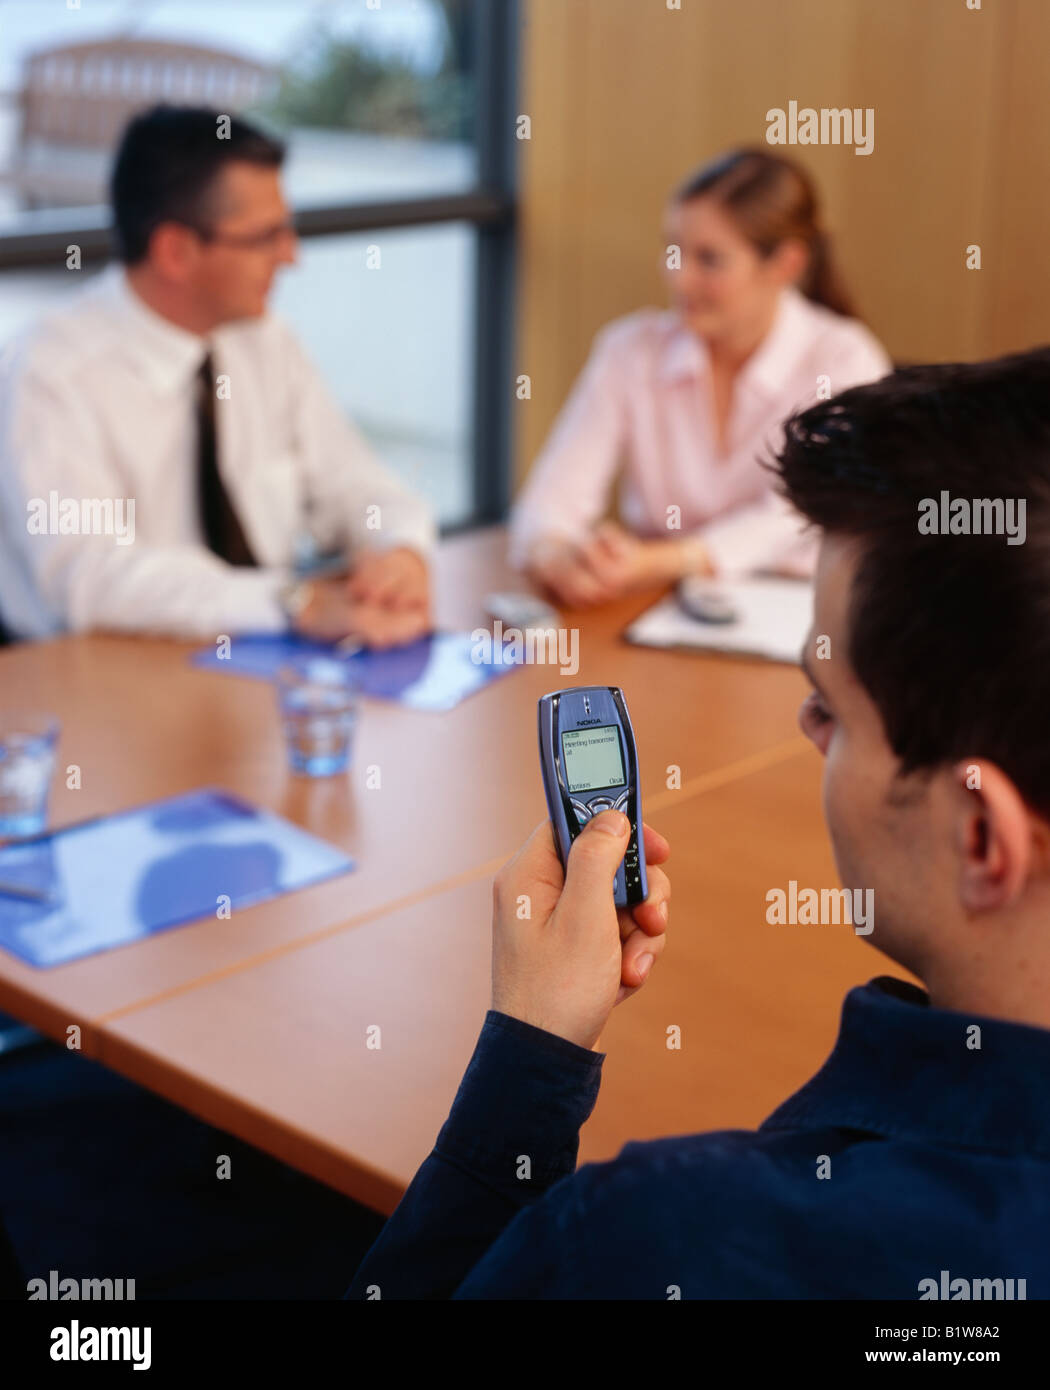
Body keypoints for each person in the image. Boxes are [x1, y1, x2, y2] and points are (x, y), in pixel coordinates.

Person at [346, 345, 1050, 1298]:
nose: (807, 728)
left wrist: (529, 1061)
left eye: (831, 708)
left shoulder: (659, 1238)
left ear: (981, 840)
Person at [0, 105, 434, 647]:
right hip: (104, 677)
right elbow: (89, 576)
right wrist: (291, 602)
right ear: (176, 252)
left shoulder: (264, 340)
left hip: (261, 657)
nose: (291, 257)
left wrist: (400, 550)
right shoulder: (50, 370)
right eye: (265, 237)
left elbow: (355, 483)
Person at [508, 147, 892, 607]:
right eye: (673, 251)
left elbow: (796, 516)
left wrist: (654, 561)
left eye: (708, 260)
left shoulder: (845, 360)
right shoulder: (630, 351)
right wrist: (557, 555)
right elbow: (552, 499)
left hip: (798, 618)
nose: (679, 279)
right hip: (657, 613)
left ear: (785, 264)